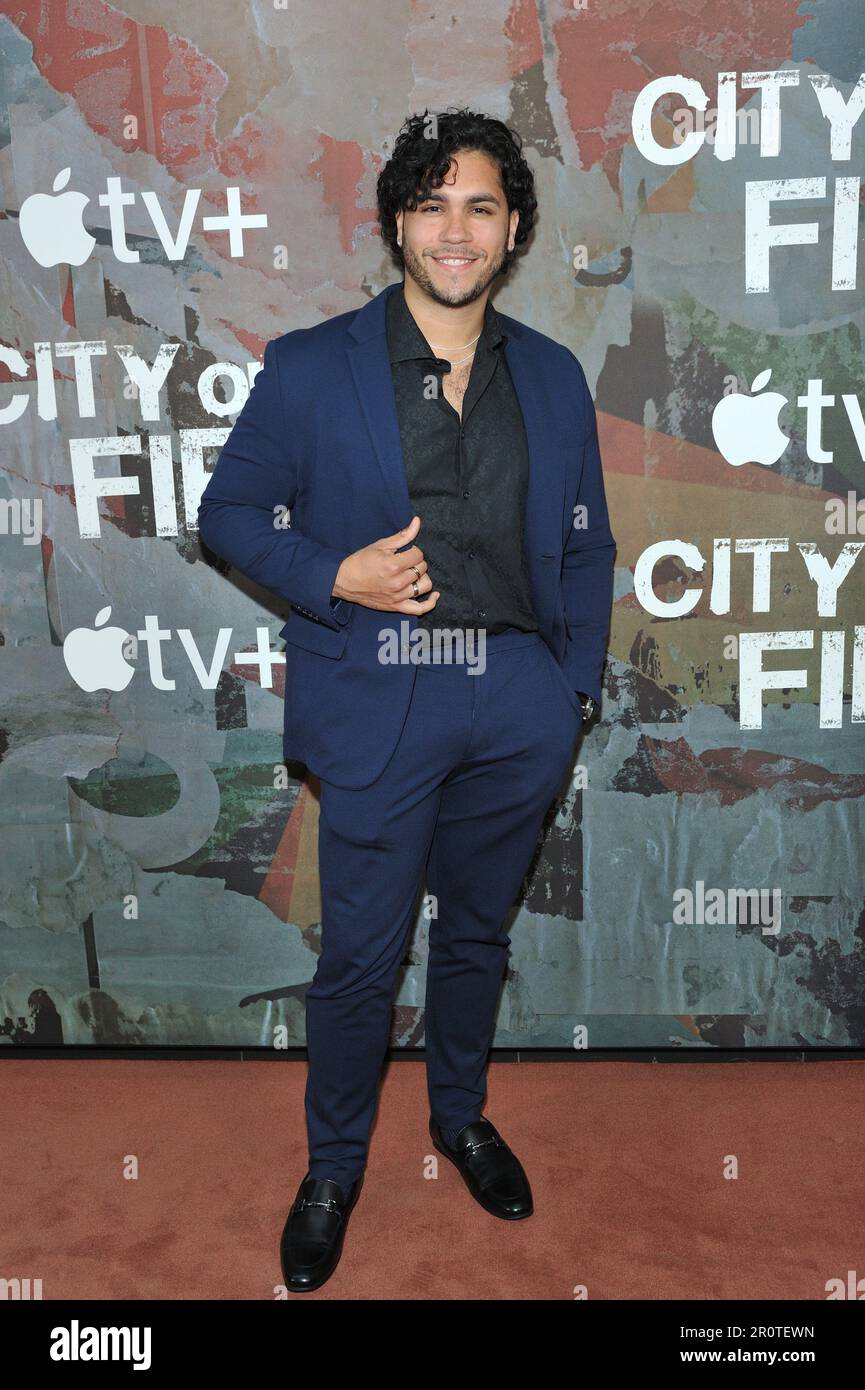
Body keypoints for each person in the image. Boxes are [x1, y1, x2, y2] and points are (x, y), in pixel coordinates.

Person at [197, 106, 616, 1293]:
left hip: (519, 703)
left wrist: (569, 689)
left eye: (479, 205)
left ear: (514, 227)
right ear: (396, 222)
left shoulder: (552, 374)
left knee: (476, 935)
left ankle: (459, 1119)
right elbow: (227, 515)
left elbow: (587, 546)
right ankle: (332, 1170)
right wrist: (334, 573)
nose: (454, 229)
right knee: (362, 959)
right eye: (430, 203)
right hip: (381, 699)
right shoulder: (313, 364)